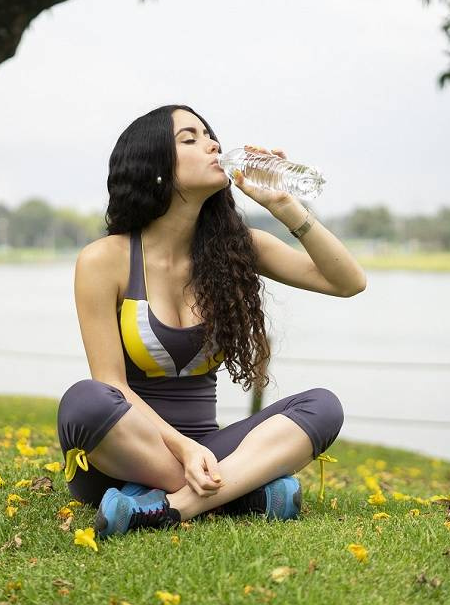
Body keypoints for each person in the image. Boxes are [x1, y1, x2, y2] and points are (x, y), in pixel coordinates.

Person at [57, 104, 366, 539]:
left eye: (209, 135)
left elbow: (348, 282)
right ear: (155, 166)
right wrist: (183, 448)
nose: (213, 145)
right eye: (190, 138)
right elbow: (114, 386)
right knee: (86, 401)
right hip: (123, 452)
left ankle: (169, 507)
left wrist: (283, 204)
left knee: (322, 406)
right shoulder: (103, 260)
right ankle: (245, 492)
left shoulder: (238, 248)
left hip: (212, 451)